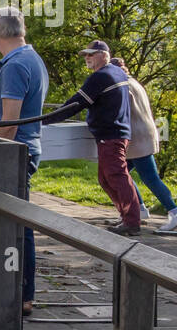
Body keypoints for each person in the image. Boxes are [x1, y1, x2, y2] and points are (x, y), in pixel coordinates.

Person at [0, 6, 48, 316]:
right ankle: (19, 291)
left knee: (17, 225)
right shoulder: (31, 59)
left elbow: (9, 121)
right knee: (17, 221)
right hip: (26, 147)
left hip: (12, 150)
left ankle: (21, 294)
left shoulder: (15, 65)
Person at [43, 39, 140, 235]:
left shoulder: (100, 77)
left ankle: (131, 221)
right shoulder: (117, 72)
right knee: (106, 178)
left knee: (116, 176)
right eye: (85, 55)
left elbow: (76, 103)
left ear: (104, 56)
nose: (87, 58)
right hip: (117, 133)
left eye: (90, 54)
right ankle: (127, 218)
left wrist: (45, 119)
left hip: (111, 135)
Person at [110, 58, 177, 232]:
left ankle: (174, 211)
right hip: (144, 133)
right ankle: (140, 208)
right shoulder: (134, 82)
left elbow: (121, 112)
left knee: (150, 177)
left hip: (136, 137)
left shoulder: (122, 87)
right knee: (122, 174)